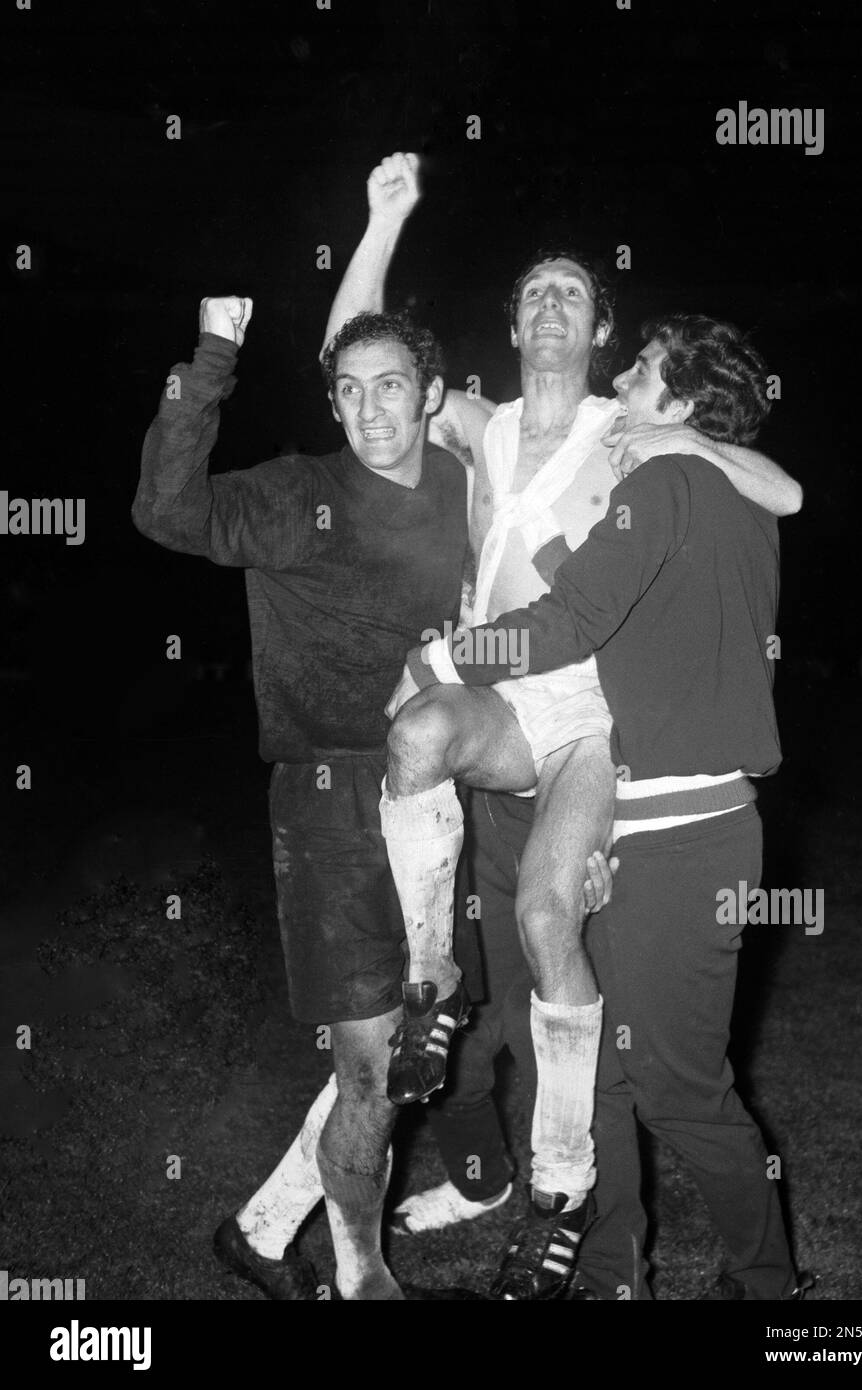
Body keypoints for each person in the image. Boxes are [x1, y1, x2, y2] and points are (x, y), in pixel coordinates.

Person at [327, 152, 803, 1295]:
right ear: (513, 323)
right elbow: (356, 360)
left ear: (601, 335)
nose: (548, 304)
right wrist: (383, 219)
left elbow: (779, 491)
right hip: (498, 725)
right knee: (520, 998)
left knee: (558, 942)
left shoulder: (626, 437)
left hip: (588, 734)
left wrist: (687, 436)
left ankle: (593, 1235)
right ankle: (444, 1013)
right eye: (531, 290)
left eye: (574, 296)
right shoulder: (484, 428)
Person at [132, 296, 478, 1300]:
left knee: (433, 1039)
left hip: (451, 795)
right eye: (349, 390)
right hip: (330, 808)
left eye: (391, 388)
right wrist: (211, 355)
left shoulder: (469, 490)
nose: (370, 412)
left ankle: (265, 1227)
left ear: (431, 398)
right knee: (372, 1068)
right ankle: (366, 1280)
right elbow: (165, 511)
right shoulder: (297, 494)